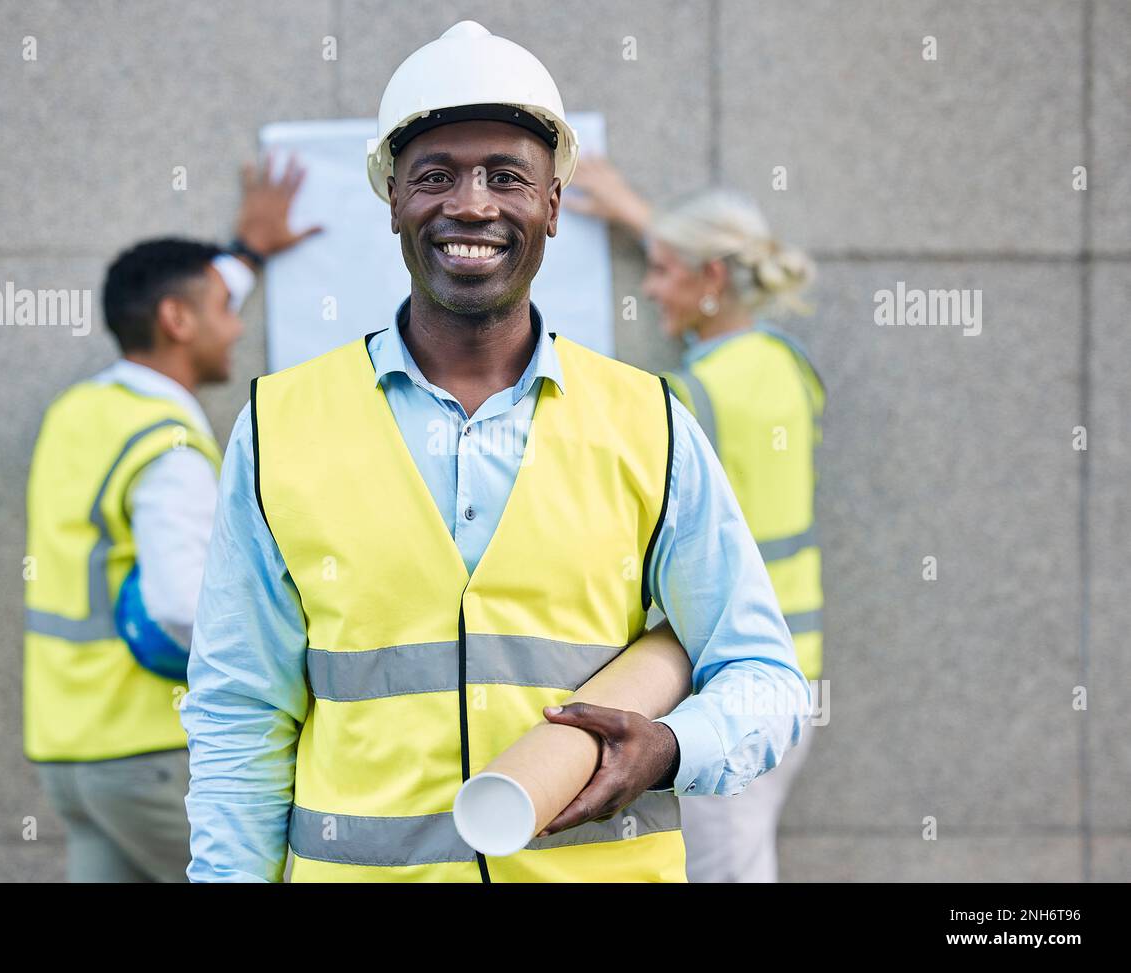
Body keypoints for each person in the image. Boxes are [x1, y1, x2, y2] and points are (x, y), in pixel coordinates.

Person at [181, 20, 810, 883]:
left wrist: (671, 745)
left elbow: (765, 674)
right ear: (394, 199)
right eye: (435, 175)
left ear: (552, 204)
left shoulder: (649, 423)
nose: (471, 203)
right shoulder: (281, 424)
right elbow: (239, 715)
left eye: (506, 177)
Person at [22, 156, 320, 882]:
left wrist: (243, 257)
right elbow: (181, 601)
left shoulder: (82, 412)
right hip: (147, 754)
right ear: (177, 319)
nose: (237, 328)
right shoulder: (169, 446)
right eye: (225, 308)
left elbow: (183, 299)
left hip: (72, 754)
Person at [567, 161, 825, 882]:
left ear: (710, 275)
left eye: (660, 269)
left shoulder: (688, 400)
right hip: (789, 673)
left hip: (725, 680)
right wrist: (642, 218)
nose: (649, 288)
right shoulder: (787, 365)